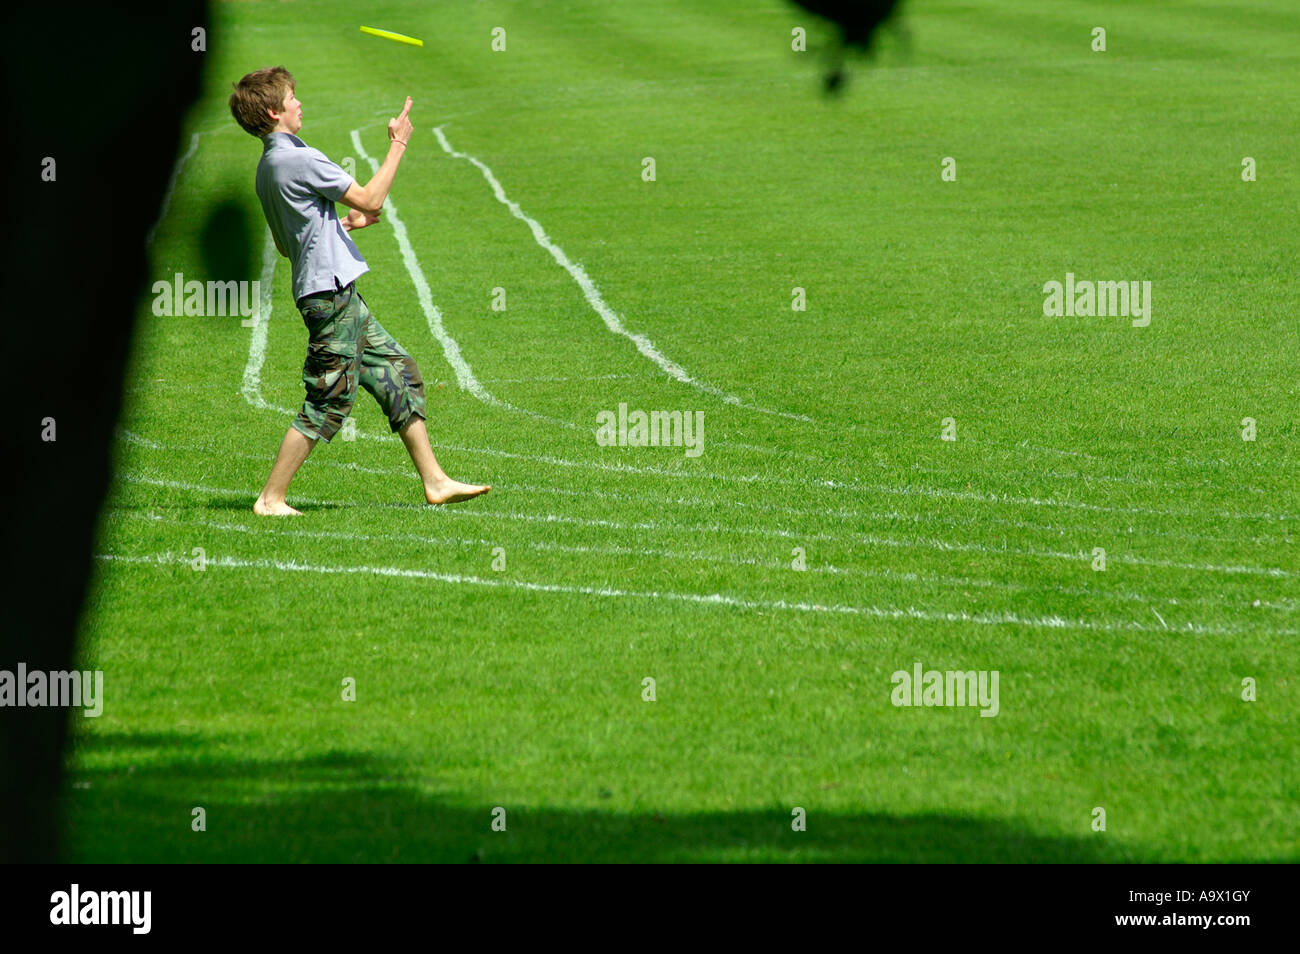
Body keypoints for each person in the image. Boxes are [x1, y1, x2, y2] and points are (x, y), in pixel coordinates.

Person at [229, 66, 489, 515]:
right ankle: (271, 499)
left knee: (398, 374)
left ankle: (436, 481)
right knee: (327, 399)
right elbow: (371, 198)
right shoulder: (298, 159)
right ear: (274, 111)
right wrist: (398, 144)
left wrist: (344, 225)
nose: (299, 103)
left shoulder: (268, 166)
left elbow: (288, 243)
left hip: (332, 292)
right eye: (293, 98)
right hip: (330, 298)